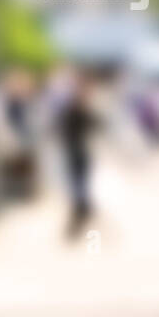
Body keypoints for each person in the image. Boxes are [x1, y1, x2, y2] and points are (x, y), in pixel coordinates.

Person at [57, 71, 101, 240]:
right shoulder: (74, 110)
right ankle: (81, 213)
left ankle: (82, 213)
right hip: (75, 153)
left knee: (80, 185)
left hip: (81, 153)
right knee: (78, 186)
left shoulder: (82, 109)